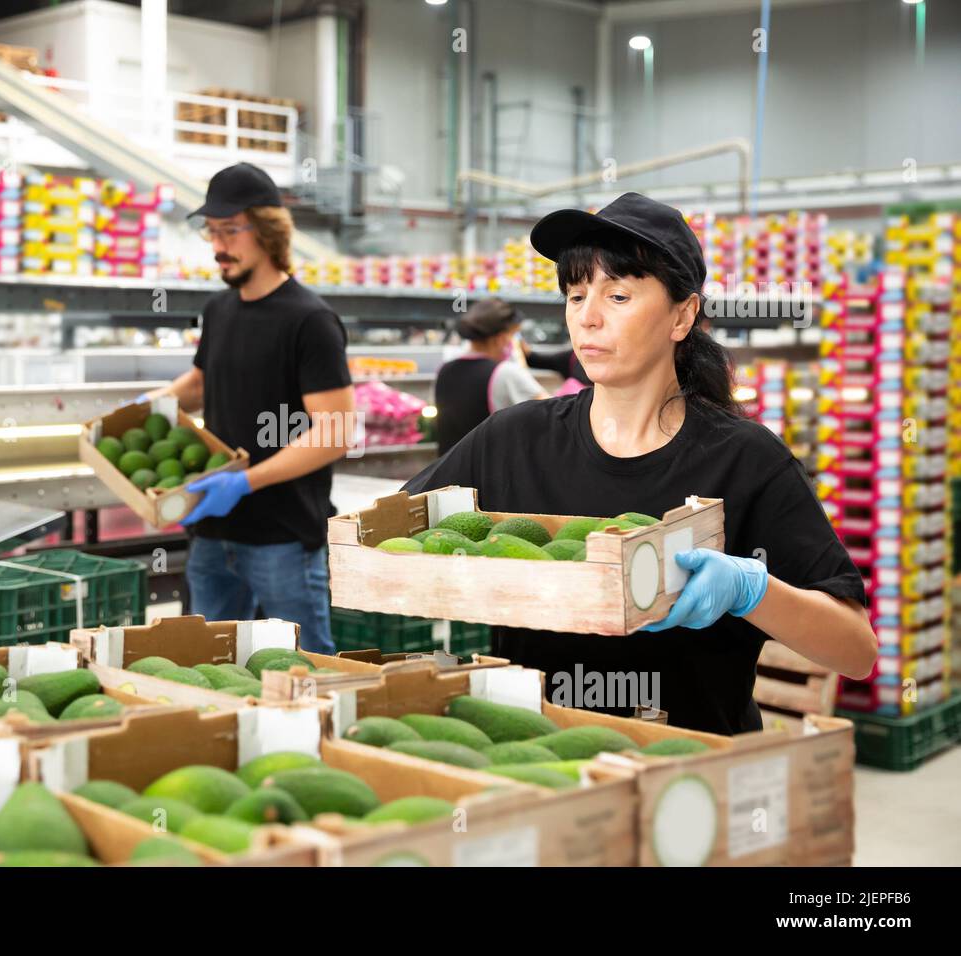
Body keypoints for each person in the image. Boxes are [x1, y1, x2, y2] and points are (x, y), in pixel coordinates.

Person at [402, 192, 876, 734]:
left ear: (682, 315)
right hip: (540, 767)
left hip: (692, 769)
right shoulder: (513, 439)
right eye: (576, 296)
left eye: (619, 296)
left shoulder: (745, 460)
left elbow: (855, 650)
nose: (588, 318)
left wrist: (753, 590)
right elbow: (387, 530)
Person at [148, 163, 354, 654]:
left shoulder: (310, 320)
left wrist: (244, 481)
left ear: (267, 230)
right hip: (212, 532)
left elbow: (335, 431)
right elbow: (202, 381)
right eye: (211, 232)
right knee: (208, 663)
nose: (218, 246)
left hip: (281, 537)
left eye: (230, 230)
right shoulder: (219, 310)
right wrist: (156, 405)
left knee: (302, 668)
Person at [432, 297, 549, 454]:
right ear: (500, 339)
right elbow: (551, 415)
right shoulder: (506, 373)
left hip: (449, 472)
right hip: (489, 474)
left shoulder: (444, 370)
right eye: (513, 336)